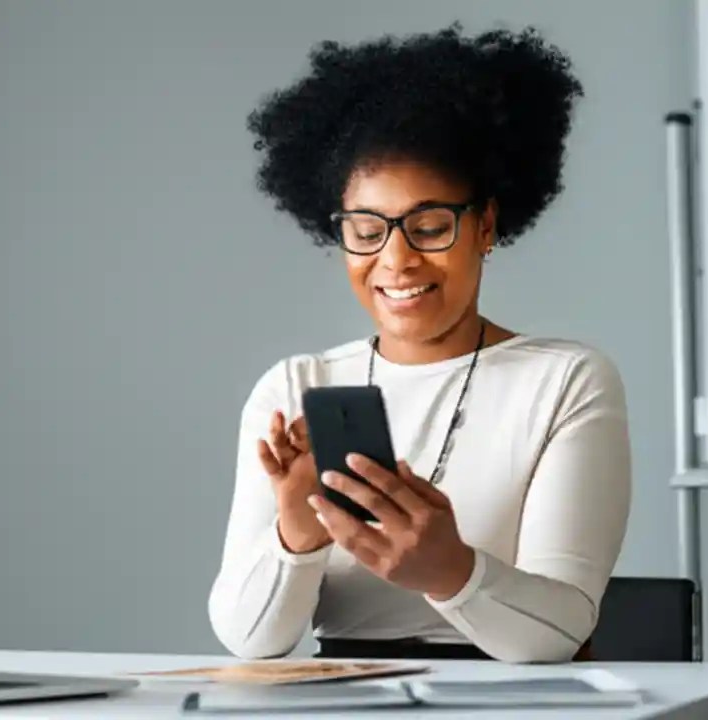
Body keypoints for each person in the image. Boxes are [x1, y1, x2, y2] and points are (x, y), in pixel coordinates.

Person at [207, 24, 632, 664]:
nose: (396, 259)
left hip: (513, 699)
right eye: (366, 230)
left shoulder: (566, 380)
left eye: (429, 227)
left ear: (484, 225)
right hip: (340, 697)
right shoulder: (296, 388)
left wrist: (451, 571)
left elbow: (559, 631)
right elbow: (249, 640)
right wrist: (296, 530)